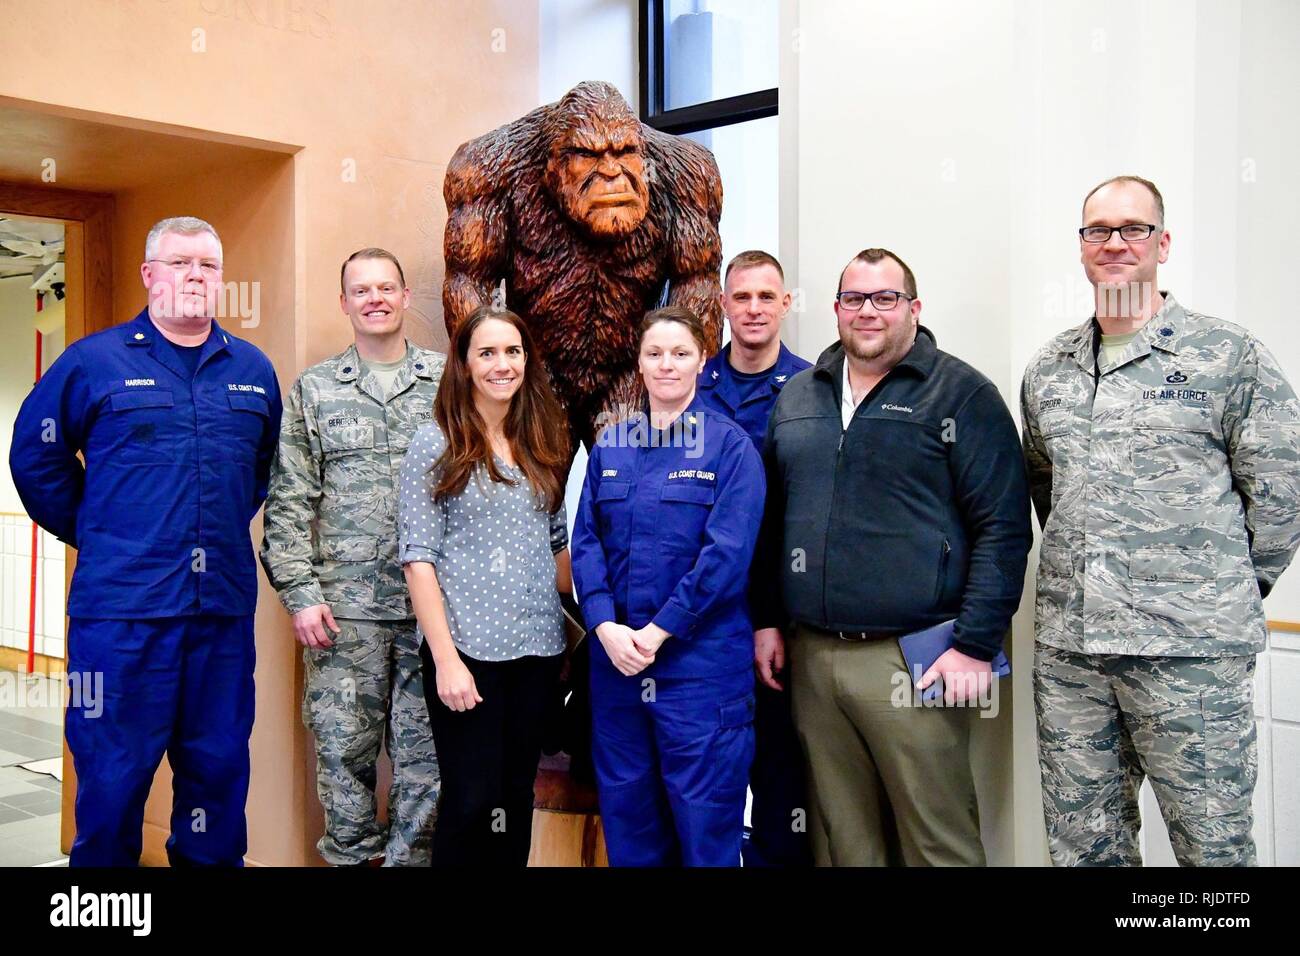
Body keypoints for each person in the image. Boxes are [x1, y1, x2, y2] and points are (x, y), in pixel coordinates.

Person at [1021, 175, 1300, 866]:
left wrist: (1218, 591)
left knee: (1213, 851)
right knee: (1084, 847)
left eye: (1132, 228)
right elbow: (1049, 493)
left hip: (1191, 654)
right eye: (1098, 230)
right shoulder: (1049, 369)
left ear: (1162, 243)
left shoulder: (1227, 357)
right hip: (1074, 657)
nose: (1114, 243)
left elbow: (1282, 494)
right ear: (1081, 247)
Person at [8, 216, 281, 866]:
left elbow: (260, 470)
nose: (194, 276)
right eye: (180, 263)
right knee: (111, 785)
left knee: (215, 786)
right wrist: (102, 534)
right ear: (150, 275)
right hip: (120, 622)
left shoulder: (251, 371)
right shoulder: (94, 363)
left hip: (218, 620)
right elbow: (35, 458)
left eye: (208, 266)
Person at [751, 248, 1032, 866]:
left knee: (936, 842)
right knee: (845, 843)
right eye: (854, 299)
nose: (868, 312)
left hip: (917, 659)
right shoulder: (800, 396)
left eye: (885, 298)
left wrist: (976, 643)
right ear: (836, 309)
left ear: (913, 308)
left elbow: (1004, 529)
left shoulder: (960, 395)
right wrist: (767, 619)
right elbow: (771, 525)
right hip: (814, 658)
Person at [260, 248, 444, 866]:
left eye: (386, 287)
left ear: (404, 297)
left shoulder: (448, 383)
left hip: (435, 616)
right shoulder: (314, 389)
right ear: (344, 303)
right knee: (343, 758)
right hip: (345, 616)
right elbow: (287, 501)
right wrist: (301, 595)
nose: (375, 298)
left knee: (427, 761)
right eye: (361, 290)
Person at [571, 305, 766, 867]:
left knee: (705, 829)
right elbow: (586, 543)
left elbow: (725, 558)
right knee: (630, 825)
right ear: (638, 362)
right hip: (617, 670)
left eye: (681, 353)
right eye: (654, 353)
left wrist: (657, 633)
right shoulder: (612, 445)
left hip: (698, 673)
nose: (667, 365)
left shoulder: (730, 447)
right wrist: (605, 625)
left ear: (703, 361)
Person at [398, 305, 572, 866]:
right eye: (488, 353)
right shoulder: (437, 441)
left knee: (514, 797)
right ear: (465, 365)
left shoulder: (543, 435)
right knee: (471, 800)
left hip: (537, 652)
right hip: (467, 652)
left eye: (513, 351)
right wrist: (446, 661)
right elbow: (417, 559)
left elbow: (557, 544)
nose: (503, 364)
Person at [696, 250, 811, 868]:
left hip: (780, 607)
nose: (754, 309)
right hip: (705, 606)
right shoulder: (692, 384)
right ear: (723, 304)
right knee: (709, 772)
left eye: (767, 297)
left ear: (786, 303)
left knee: (779, 769)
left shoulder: (814, 388)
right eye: (741, 297)